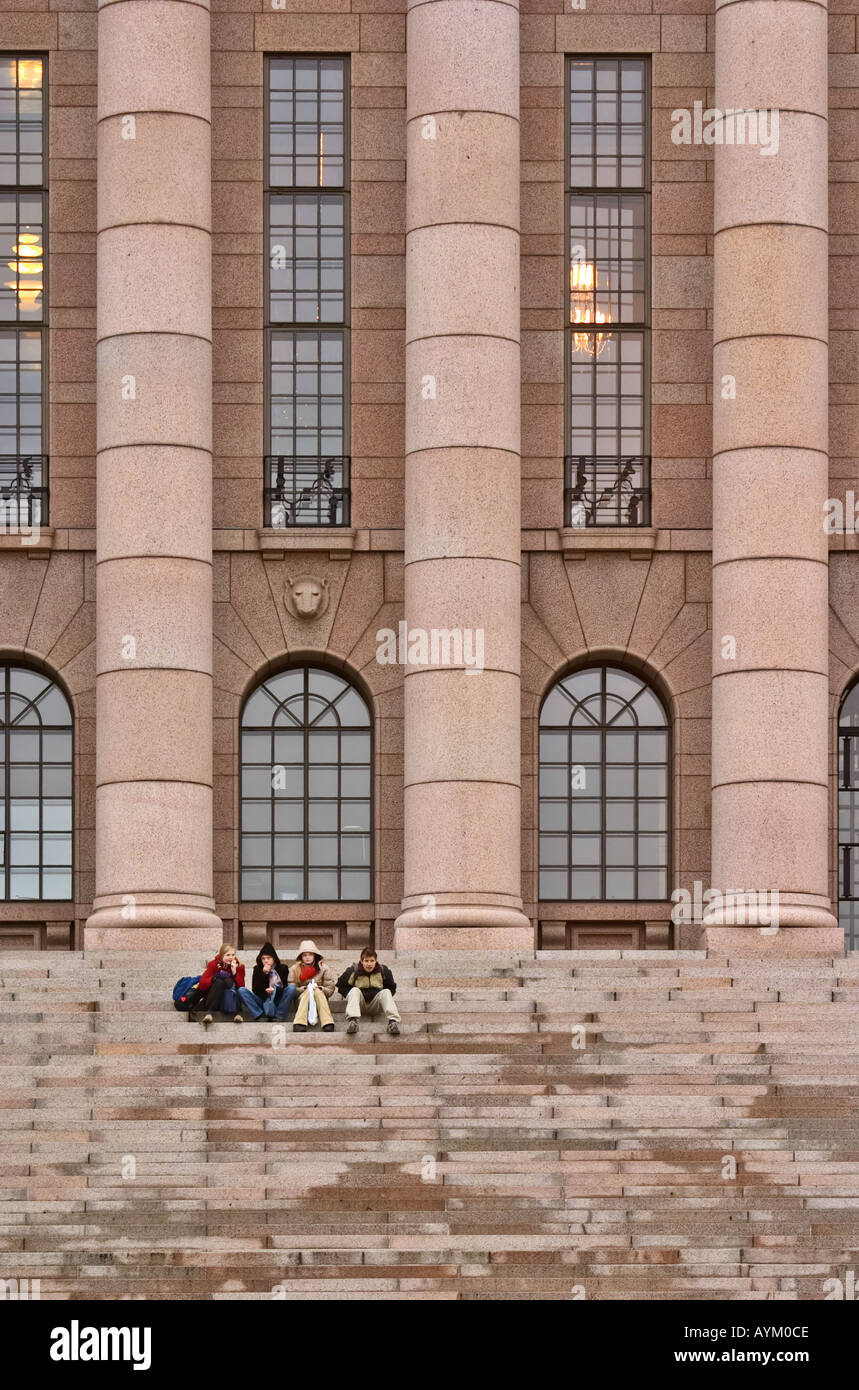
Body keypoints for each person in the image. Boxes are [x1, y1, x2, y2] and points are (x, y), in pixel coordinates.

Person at [337, 948, 401, 1036]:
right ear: (361, 961)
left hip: (376, 1005)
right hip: (359, 1005)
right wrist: (350, 996)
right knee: (354, 990)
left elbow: (392, 987)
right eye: (366, 961)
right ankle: (353, 1022)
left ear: (376, 961)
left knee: (386, 991)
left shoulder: (383, 970)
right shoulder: (353, 971)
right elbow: (340, 985)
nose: (369, 964)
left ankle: (392, 1023)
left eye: (372, 961)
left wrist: (384, 999)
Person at [238, 942, 296, 1022]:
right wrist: (264, 974)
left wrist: (274, 991)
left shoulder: (283, 968)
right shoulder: (257, 969)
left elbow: (284, 987)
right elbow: (255, 989)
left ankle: (279, 1016)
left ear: (274, 958)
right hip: (262, 999)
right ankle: (259, 1015)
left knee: (291, 988)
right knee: (241, 990)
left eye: (268, 958)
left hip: (277, 999)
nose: (266, 960)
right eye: (263, 958)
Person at [288, 939, 336, 1032]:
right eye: (304, 955)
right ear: (301, 956)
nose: (307, 957)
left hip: (320, 1001)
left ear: (315, 955)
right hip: (302, 1002)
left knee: (316, 991)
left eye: (310, 954)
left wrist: (320, 988)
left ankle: (328, 1023)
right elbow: (292, 989)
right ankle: (299, 1023)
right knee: (308, 991)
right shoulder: (295, 969)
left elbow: (330, 989)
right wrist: (305, 989)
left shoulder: (324, 968)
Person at [197, 944, 246, 1024]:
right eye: (228, 955)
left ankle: (237, 1013)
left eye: (233, 955)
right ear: (221, 955)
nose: (231, 957)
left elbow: (241, 987)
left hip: (230, 1001)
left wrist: (234, 973)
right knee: (219, 982)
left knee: (229, 981)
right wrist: (215, 977)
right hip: (213, 999)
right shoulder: (213, 964)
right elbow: (202, 986)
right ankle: (210, 1013)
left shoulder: (240, 966)